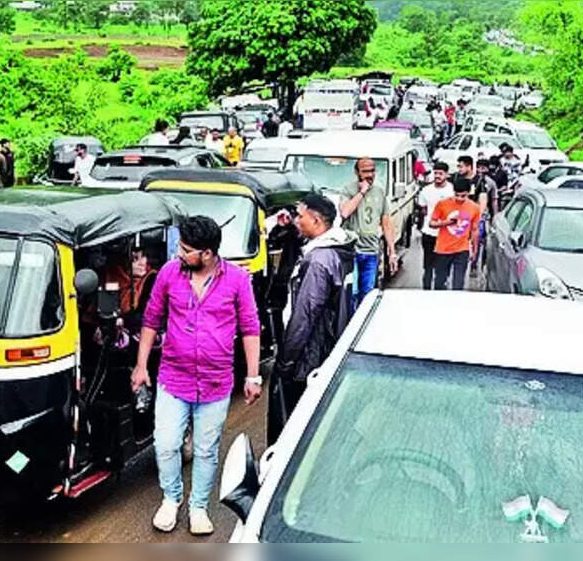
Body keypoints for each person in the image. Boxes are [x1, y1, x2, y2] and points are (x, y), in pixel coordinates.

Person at [131, 216, 262, 537]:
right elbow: (151, 319)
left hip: (216, 384)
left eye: (186, 249)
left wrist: (254, 375)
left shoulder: (237, 280)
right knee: (166, 443)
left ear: (207, 253)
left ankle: (198, 506)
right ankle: (171, 498)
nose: (178, 252)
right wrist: (141, 365)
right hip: (173, 378)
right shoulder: (168, 274)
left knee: (206, 449)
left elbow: (250, 327)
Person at [268, 194, 356, 444]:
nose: (296, 220)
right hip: (327, 347)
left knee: (295, 430)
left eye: (301, 215)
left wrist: (285, 363)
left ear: (316, 220)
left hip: (310, 356)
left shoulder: (318, 262)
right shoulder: (337, 250)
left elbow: (304, 317)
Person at [338, 157, 399, 308]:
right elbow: (345, 212)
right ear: (357, 172)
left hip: (371, 250)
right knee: (352, 293)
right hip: (353, 251)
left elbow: (386, 223)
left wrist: (392, 252)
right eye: (365, 171)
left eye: (372, 171)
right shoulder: (348, 189)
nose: (369, 175)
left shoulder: (379, 192)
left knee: (368, 294)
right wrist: (362, 193)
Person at [430, 178, 481, 291]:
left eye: (463, 196)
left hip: (462, 249)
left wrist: (475, 249)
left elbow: (475, 230)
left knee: (458, 284)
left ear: (468, 193)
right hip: (443, 249)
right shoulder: (442, 204)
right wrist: (446, 222)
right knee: (440, 282)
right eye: (457, 195)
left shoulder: (475, 208)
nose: (459, 199)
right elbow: (431, 223)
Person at [416, 161, 454, 290]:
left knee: (442, 266)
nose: (437, 176)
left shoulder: (452, 191)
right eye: (436, 173)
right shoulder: (426, 190)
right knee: (428, 266)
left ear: (447, 175)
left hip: (446, 235)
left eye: (441, 173)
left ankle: (440, 289)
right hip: (429, 233)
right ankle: (426, 289)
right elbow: (423, 209)